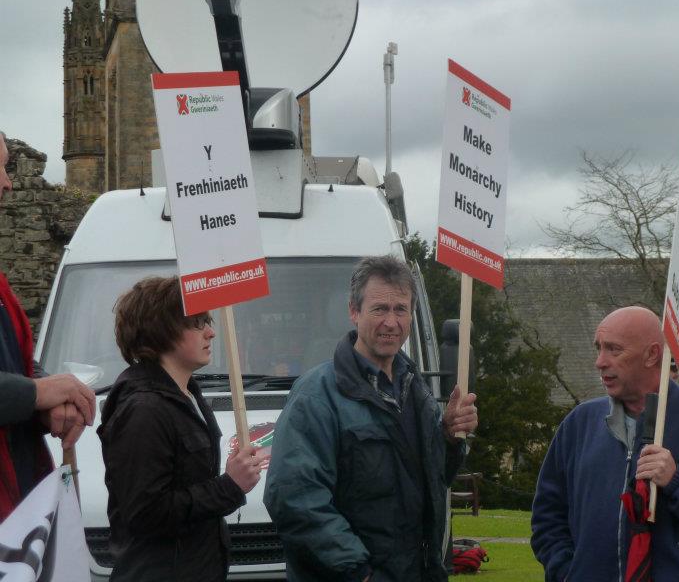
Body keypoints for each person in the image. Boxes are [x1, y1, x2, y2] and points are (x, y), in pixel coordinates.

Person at [264, 255, 478, 581]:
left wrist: (447, 438)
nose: (391, 322)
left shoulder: (417, 391)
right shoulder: (316, 396)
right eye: (379, 309)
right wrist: (357, 570)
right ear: (354, 311)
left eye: (400, 309)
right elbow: (293, 497)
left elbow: (430, 483)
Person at [531, 306, 679, 582]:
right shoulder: (579, 423)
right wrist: (566, 571)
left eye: (614, 349)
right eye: (599, 348)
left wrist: (678, 480)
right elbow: (548, 515)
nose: (600, 362)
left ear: (652, 354)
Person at [97, 276, 264, 581]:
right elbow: (146, 513)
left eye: (208, 322)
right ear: (162, 330)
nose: (211, 332)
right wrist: (229, 486)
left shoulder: (186, 393)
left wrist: (230, 474)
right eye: (198, 323)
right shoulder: (144, 410)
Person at [0, 130, 96, 522]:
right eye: (0, 169)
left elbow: (13, 362)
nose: (8, 183)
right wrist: (38, 393)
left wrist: (43, 402)